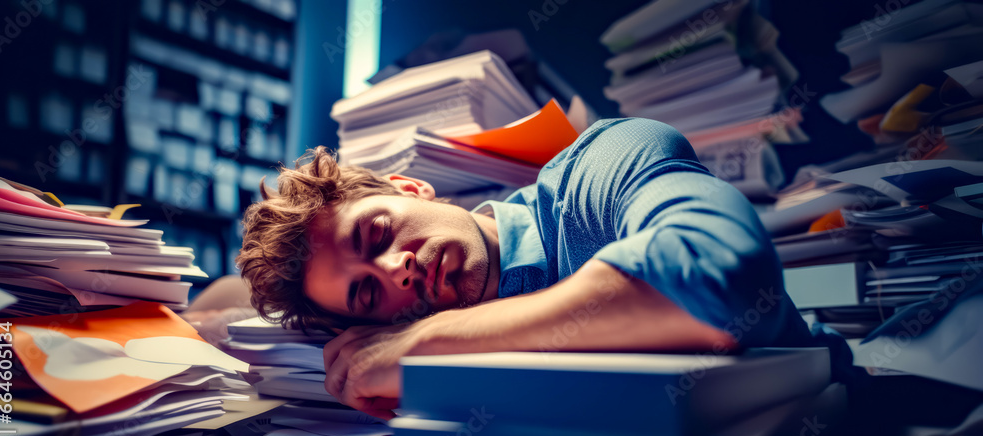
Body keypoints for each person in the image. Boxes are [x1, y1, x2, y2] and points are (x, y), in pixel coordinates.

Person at [234, 118, 856, 419]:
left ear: (411, 187)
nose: (397, 270)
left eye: (376, 234)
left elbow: (718, 274)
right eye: (368, 294)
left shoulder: (601, 165)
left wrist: (424, 339)